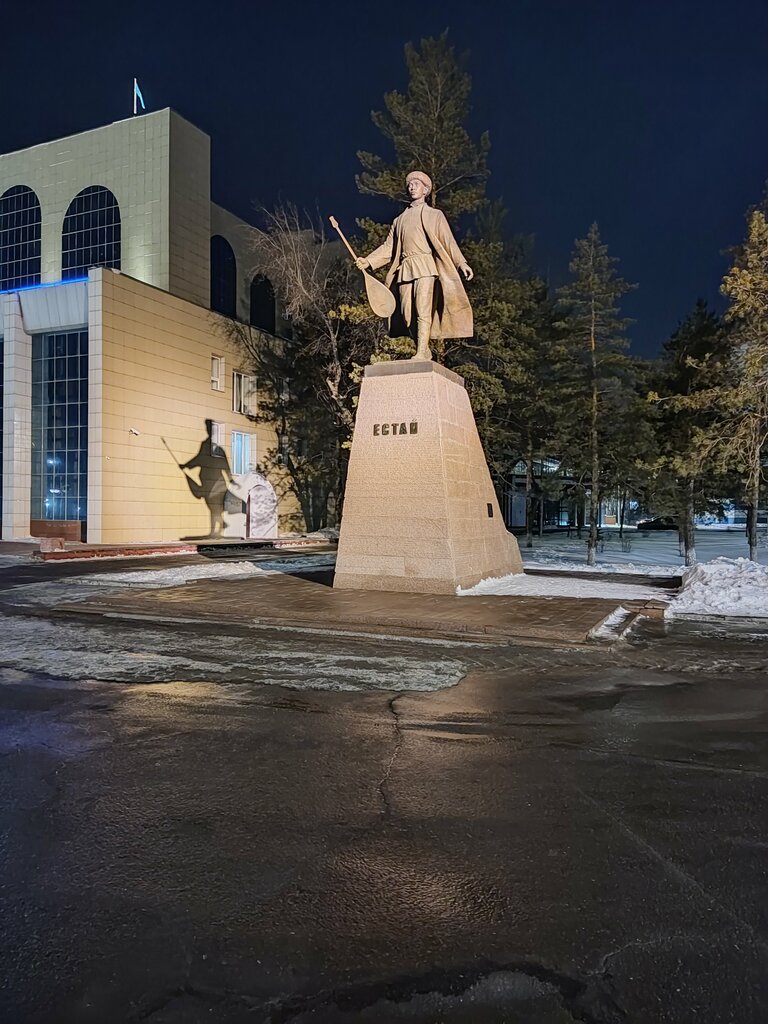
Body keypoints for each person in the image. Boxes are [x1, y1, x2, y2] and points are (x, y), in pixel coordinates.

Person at [355, 171, 474, 361]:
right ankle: (423, 349)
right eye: (410, 184)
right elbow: (388, 248)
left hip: (426, 267)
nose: (411, 187)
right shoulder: (399, 220)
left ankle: (420, 352)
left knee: (423, 309)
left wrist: (462, 263)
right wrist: (368, 260)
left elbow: (448, 241)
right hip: (405, 268)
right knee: (407, 315)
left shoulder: (434, 215)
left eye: (416, 184)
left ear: (425, 190)